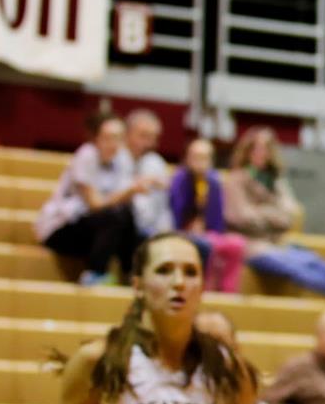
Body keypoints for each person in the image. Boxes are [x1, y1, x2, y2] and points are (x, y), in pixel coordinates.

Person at [39, 233, 283, 404]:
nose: (179, 282)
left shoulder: (226, 370)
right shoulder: (98, 360)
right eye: (164, 270)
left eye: (190, 272)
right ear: (138, 285)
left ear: (202, 286)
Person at [223, 126, 325, 299]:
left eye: (266, 149)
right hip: (251, 245)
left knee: (309, 259)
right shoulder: (235, 179)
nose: (261, 154)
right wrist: (272, 214)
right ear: (247, 151)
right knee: (294, 266)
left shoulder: (275, 180)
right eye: (256, 148)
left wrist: (263, 214)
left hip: (276, 242)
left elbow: (289, 213)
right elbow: (242, 216)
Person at [36, 112, 150, 285]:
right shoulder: (86, 155)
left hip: (97, 232)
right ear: (96, 138)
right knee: (115, 216)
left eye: (118, 138)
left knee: (132, 222)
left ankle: (131, 276)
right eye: (108, 138)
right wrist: (129, 191)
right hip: (63, 228)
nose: (113, 144)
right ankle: (95, 274)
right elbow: (95, 204)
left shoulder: (122, 159)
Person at [171, 139, 248, 293]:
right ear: (187, 158)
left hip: (210, 233)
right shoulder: (180, 179)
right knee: (205, 246)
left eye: (204, 157)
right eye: (196, 157)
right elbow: (177, 213)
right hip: (183, 232)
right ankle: (204, 290)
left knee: (237, 244)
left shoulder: (214, 182)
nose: (200, 162)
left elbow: (218, 220)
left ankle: (228, 293)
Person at [127, 109, 173, 240]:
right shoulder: (116, 159)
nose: (149, 143)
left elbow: (163, 208)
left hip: (151, 230)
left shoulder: (155, 162)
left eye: (153, 138)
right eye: (143, 136)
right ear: (127, 134)